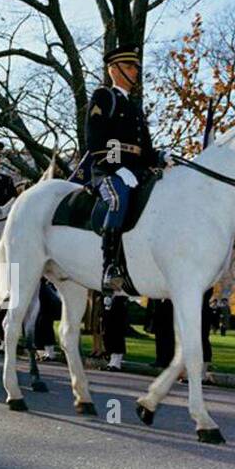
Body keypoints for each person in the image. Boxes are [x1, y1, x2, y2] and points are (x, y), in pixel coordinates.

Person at [82, 46, 157, 290]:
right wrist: (117, 167)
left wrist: (161, 157)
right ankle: (110, 267)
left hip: (136, 170)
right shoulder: (105, 97)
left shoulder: (135, 106)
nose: (135, 71)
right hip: (107, 170)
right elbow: (97, 138)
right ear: (113, 70)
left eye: (135, 67)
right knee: (117, 198)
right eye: (128, 67)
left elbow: (145, 148)